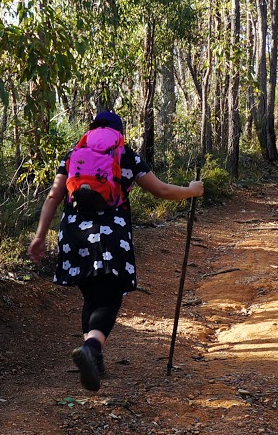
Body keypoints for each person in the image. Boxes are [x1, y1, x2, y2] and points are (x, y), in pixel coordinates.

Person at [28, 109, 204, 391]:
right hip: (111, 237)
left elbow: (53, 197)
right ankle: (92, 348)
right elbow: (162, 191)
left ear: (91, 129)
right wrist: (192, 190)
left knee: (92, 294)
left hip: (74, 236)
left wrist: (39, 236)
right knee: (110, 296)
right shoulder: (126, 155)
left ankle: (94, 361)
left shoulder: (73, 156)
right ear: (118, 133)